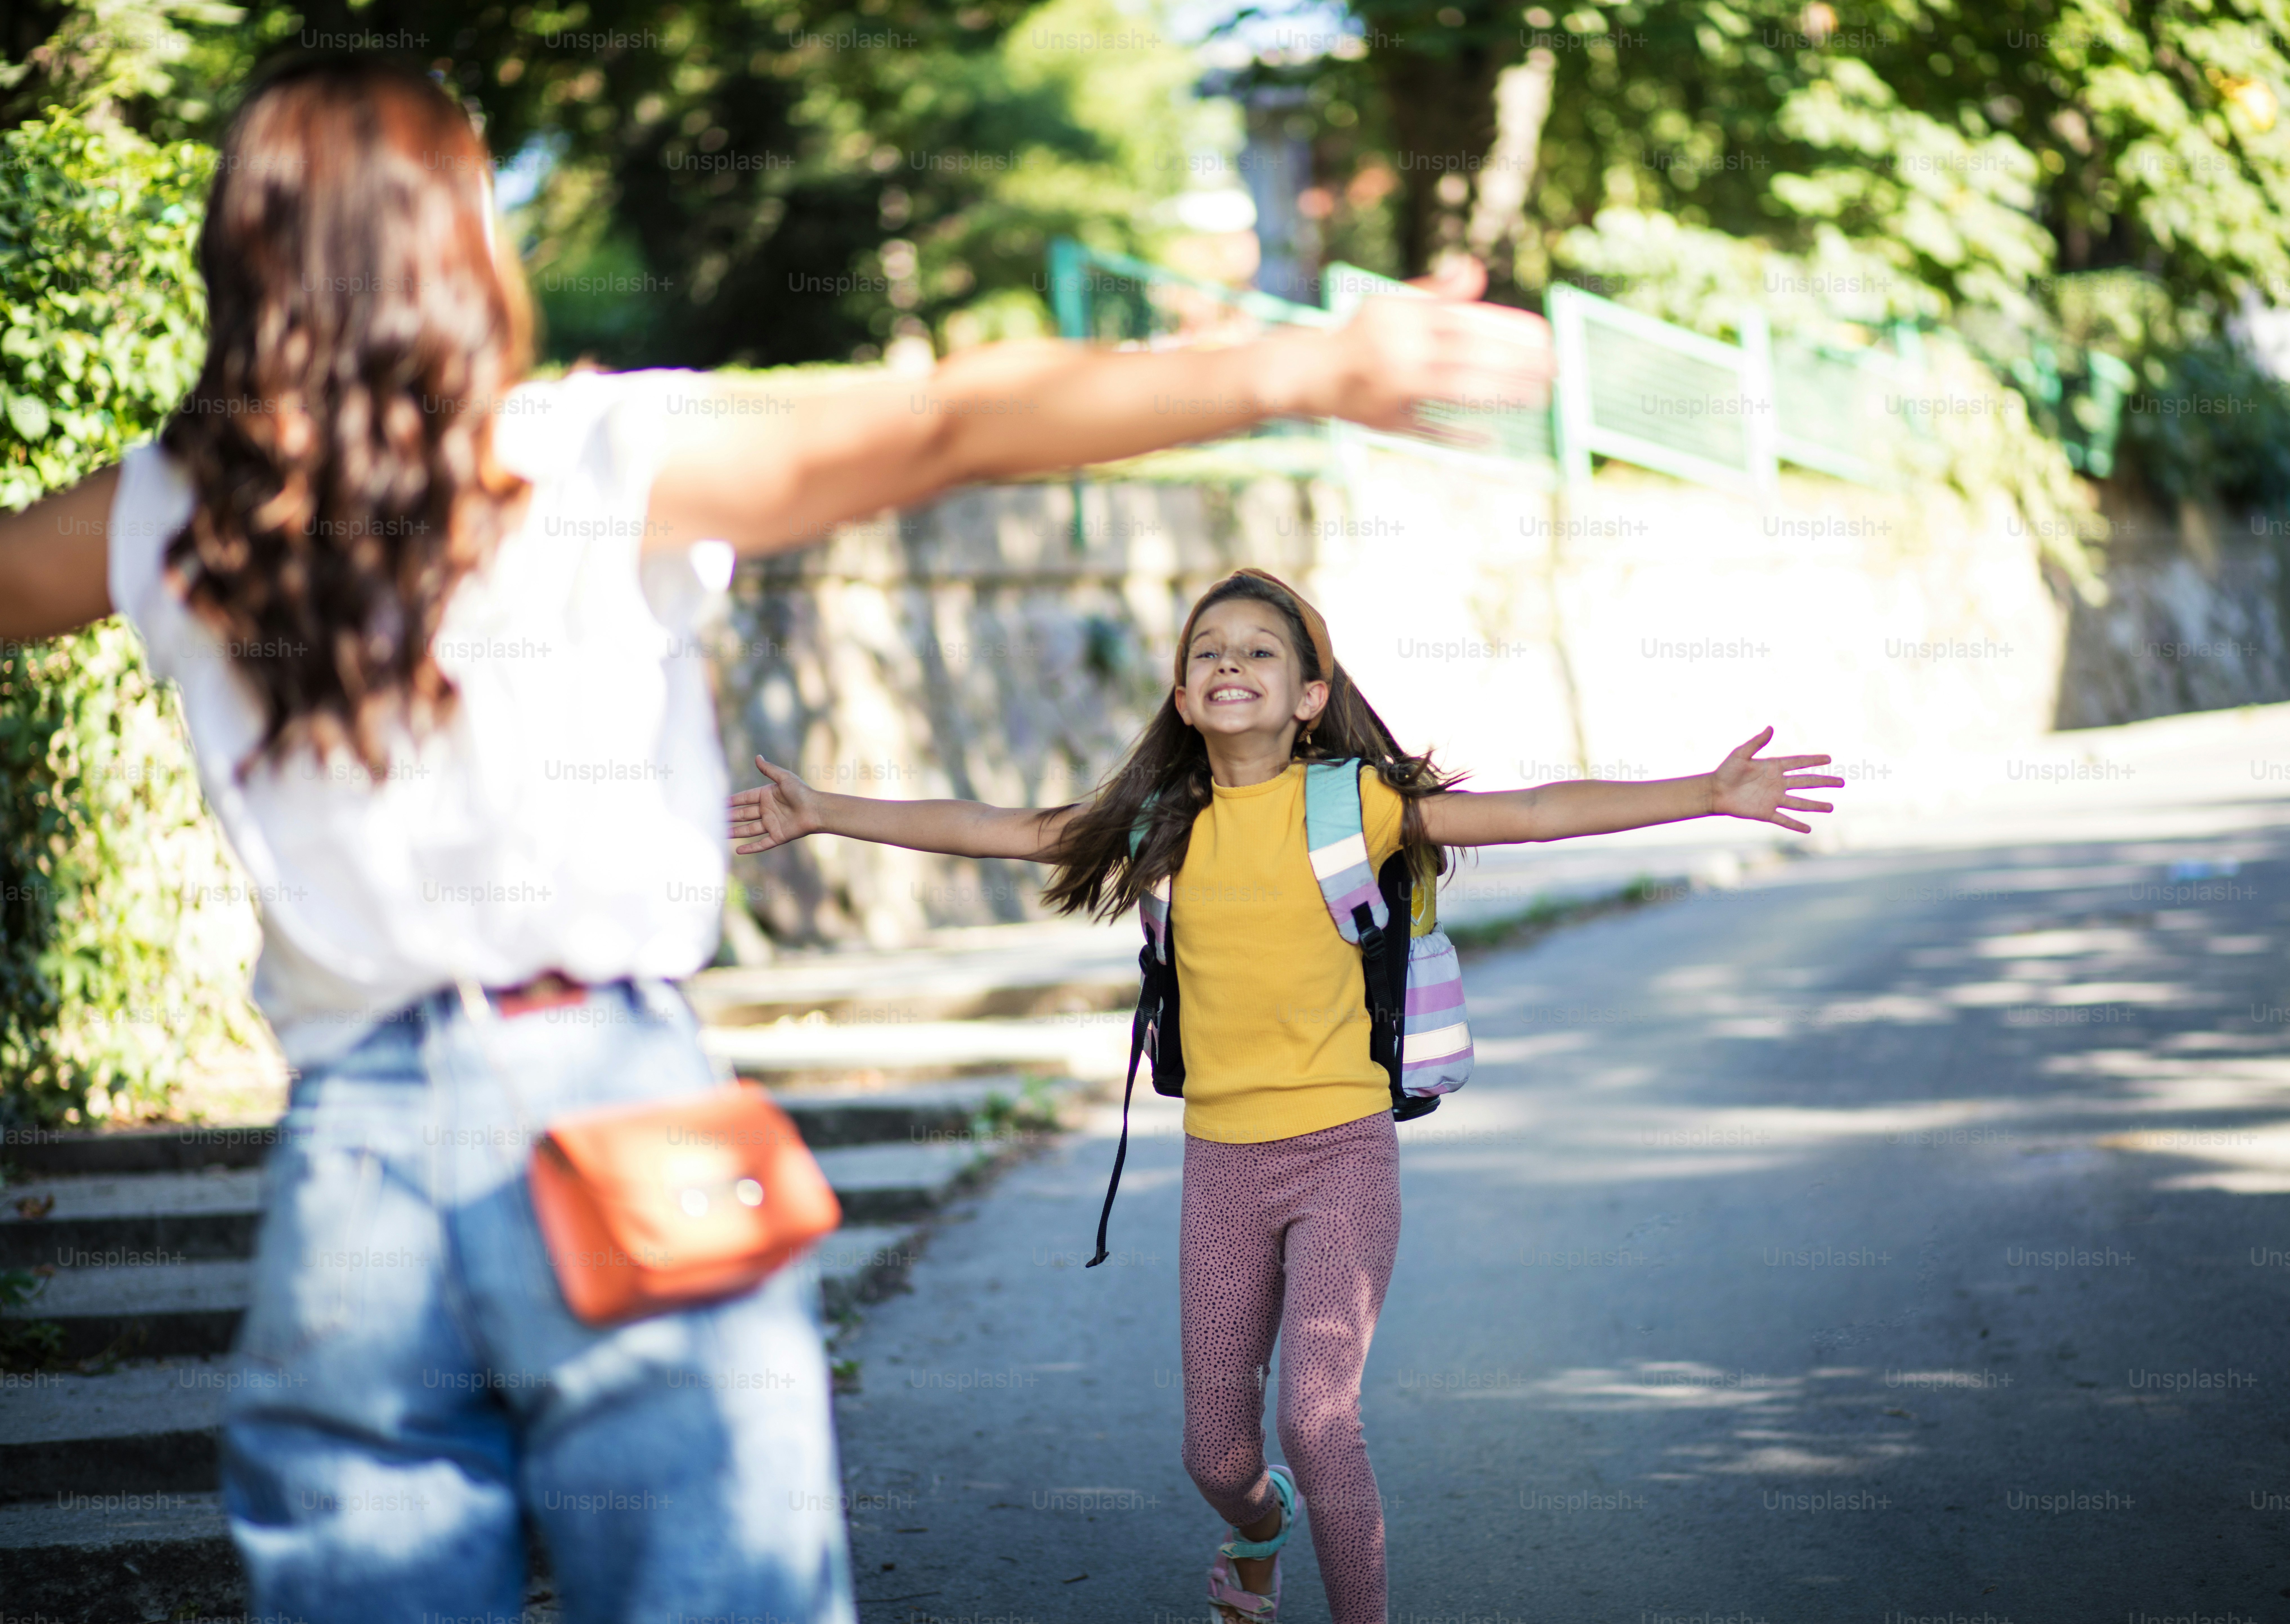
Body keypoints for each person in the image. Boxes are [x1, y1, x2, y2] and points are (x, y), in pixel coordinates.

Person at [0, 53, 1556, 1624]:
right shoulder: (584, 460)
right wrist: (1302, 365)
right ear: (463, 248)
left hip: (354, 1155)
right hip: (614, 1110)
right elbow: (948, 420)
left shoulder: (167, 514)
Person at [726, 568, 1841, 1623]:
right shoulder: (1161, 823)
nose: (1229, 660)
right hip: (1220, 1164)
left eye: (1259, 649)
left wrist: (1706, 790)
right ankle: (1257, 1534)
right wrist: (824, 809)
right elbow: (999, 827)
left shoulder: (1353, 802)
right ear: (1181, 693)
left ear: (1309, 696)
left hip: (1343, 1153)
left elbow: (1535, 810)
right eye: (1206, 649)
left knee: (1317, 1415)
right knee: (1216, 1458)